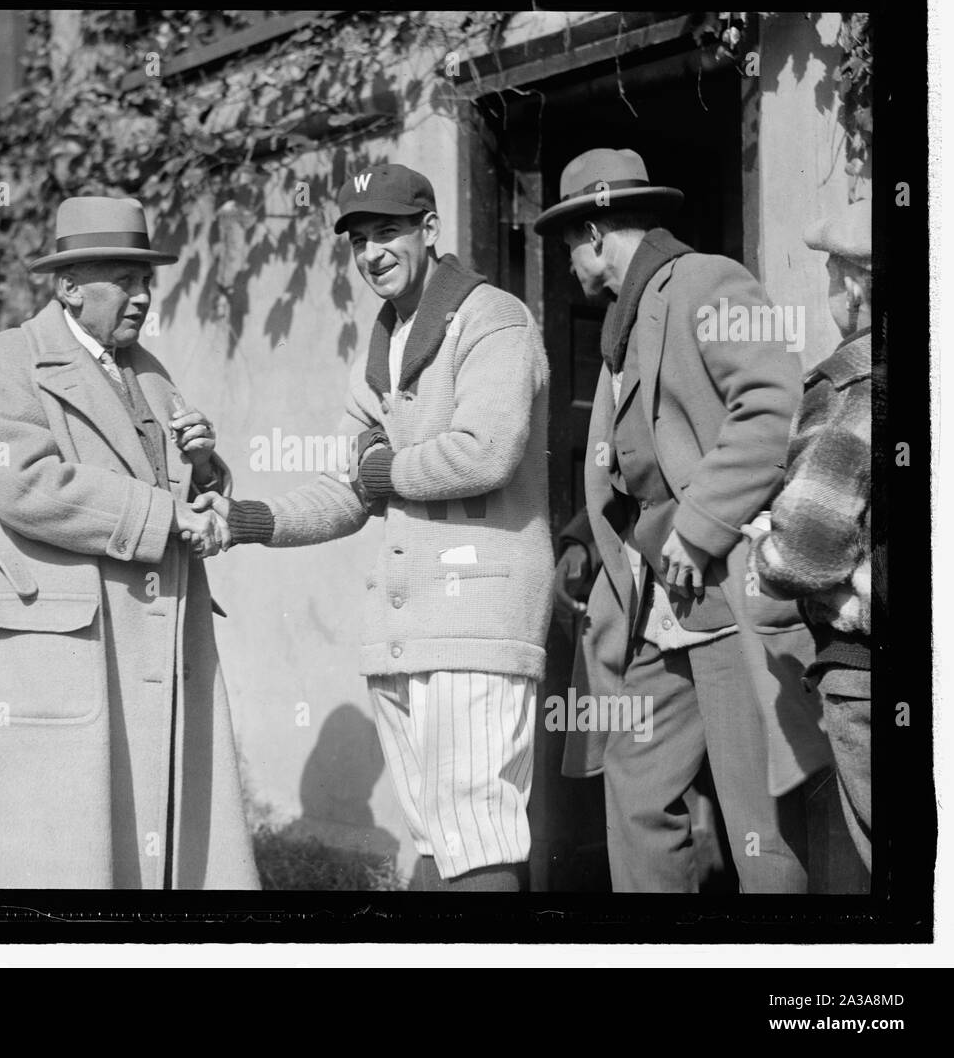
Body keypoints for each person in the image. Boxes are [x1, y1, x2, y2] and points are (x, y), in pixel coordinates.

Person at [198, 163, 553, 891]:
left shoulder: (494, 319)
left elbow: (483, 453)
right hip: (405, 626)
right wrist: (244, 519)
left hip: (477, 615)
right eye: (359, 240)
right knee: (434, 830)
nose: (371, 254)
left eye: (387, 232)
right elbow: (348, 484)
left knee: (476, 831)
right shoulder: (385, 341)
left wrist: (381, 469)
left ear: (429, 231)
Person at [0, 196, 258, 890]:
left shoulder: (151, 373)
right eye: (123, 279)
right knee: (53, 855)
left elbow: (175, 490)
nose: (141, 295)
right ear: (69, 286)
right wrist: (166, 516)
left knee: (150, 842)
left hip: (151, 636)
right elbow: (29, 487)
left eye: (145, 279)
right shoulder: (11, 362)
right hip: (58, 646)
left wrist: (203, 466)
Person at [537, 147, 831, 893]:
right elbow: (633, 461)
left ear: (598, 231)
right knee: (635, 787)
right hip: (654, 606)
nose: (568, 259)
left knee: (755, 815)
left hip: (725, 593)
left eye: (570, 239)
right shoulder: (625, 320)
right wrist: (584, 536)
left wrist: (699, 528)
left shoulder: (705, 281)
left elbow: (770, 408)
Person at [748, 199, 876, 886]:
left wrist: (763, 545)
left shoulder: (853, 383)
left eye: (831, 275)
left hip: (868, 668)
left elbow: (805, 552)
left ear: (852, 286)